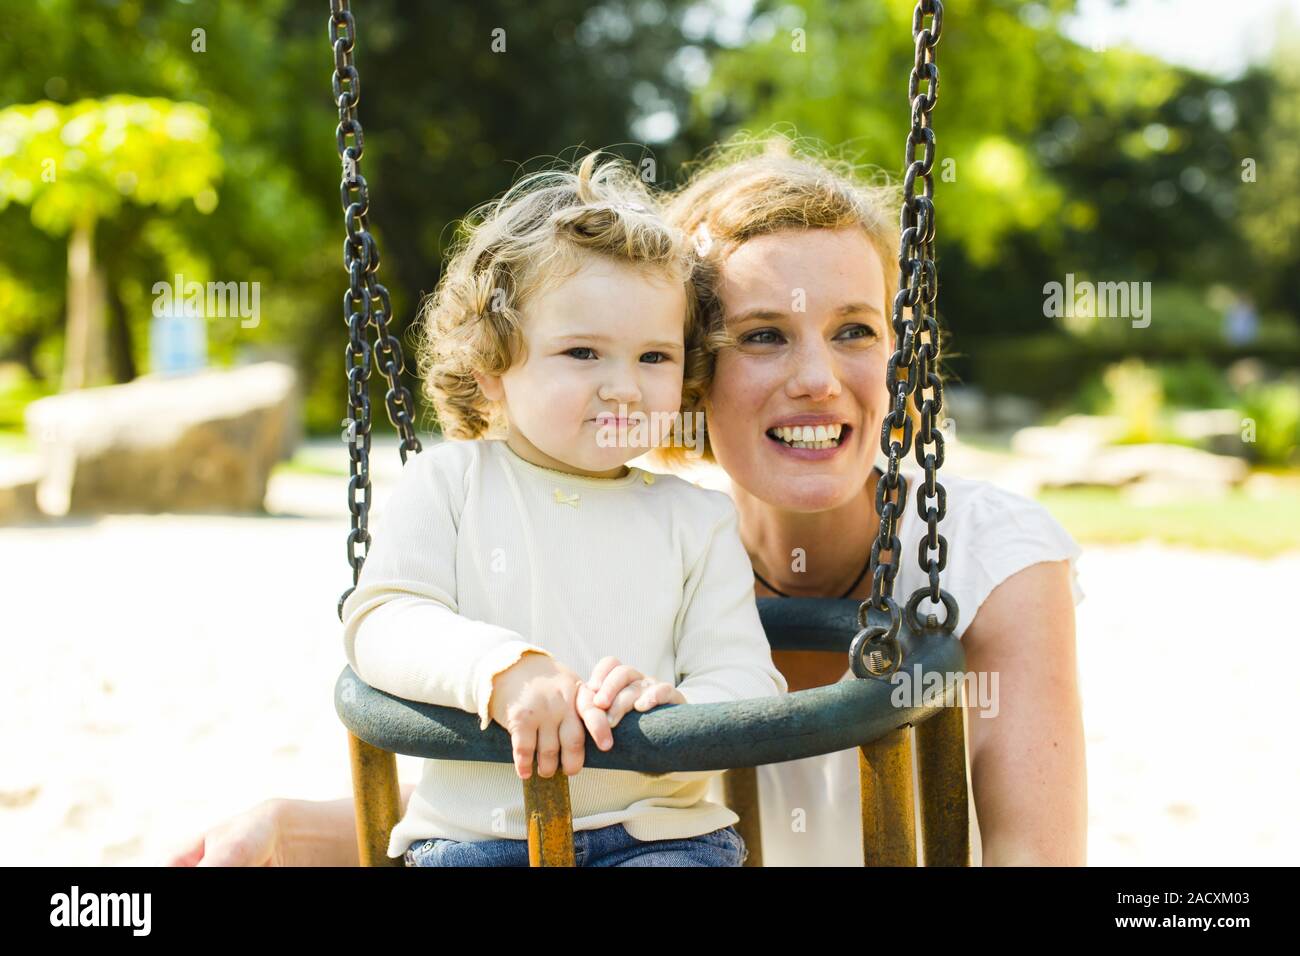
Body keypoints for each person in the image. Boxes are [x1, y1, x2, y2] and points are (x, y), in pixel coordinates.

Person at [167, 136, 1086, 868]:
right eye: (763, 335)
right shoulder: (649, 531)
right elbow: (554, 785)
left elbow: (1034, 857)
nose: (817, 378)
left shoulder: (985, 556)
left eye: (856, 330)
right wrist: (289, 829)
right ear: (695, 371)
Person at [337, 152, 785, 867]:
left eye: (654, 357)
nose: (625, 389)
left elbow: (744, 678)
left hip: (662, 835)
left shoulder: (695, 520)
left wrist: (677, 713)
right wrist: (503, 670)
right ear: (491, 370)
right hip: (481, 836)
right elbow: (384, 620)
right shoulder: (449, 485)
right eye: (582, 353)